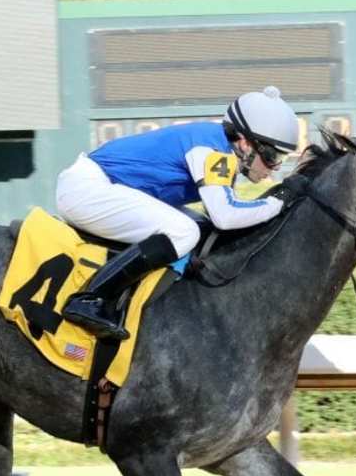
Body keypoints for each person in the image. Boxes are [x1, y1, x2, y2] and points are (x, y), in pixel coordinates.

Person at [56, 85, 304, 340]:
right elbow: (226, 215)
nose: (273, 168)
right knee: (184, 231)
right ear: (244, 142)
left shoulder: (218, 148)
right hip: (86, 189)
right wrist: (278, 202)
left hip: (99, 187)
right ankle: (90, 298)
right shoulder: (212, 150)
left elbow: (219, 218)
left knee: (200, 226)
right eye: (272, 155)